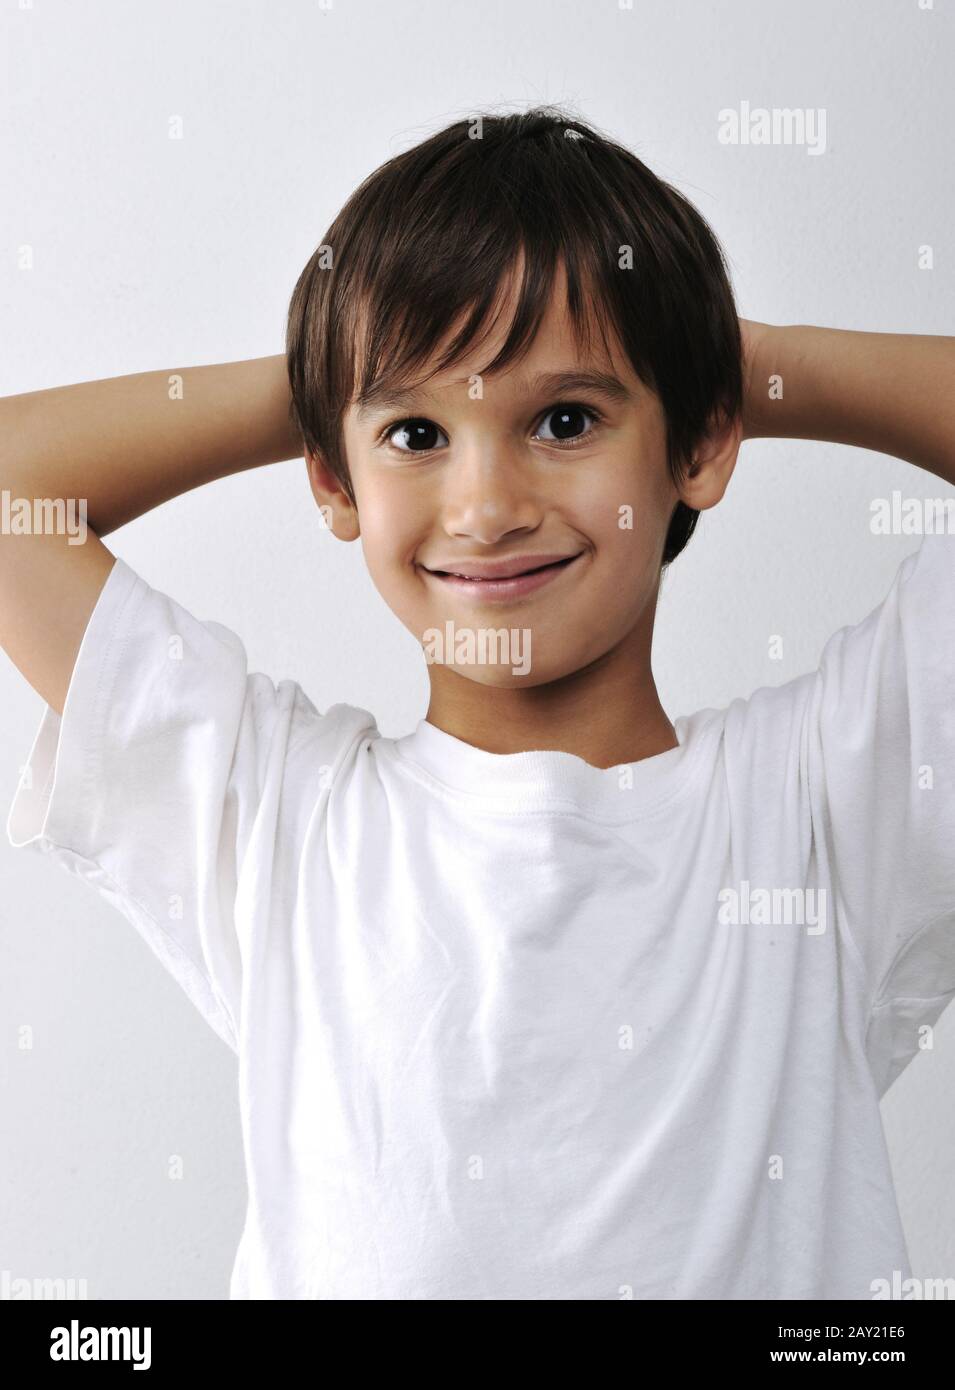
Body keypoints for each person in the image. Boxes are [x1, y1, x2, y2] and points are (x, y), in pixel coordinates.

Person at [2, 107, 953, 1300]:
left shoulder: (824, 806)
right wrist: (333, 369)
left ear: (704, 440)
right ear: (331, 475)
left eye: (564, 419)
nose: (484, 502)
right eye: (417, 433)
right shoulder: (280, 817)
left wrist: (724, 356)